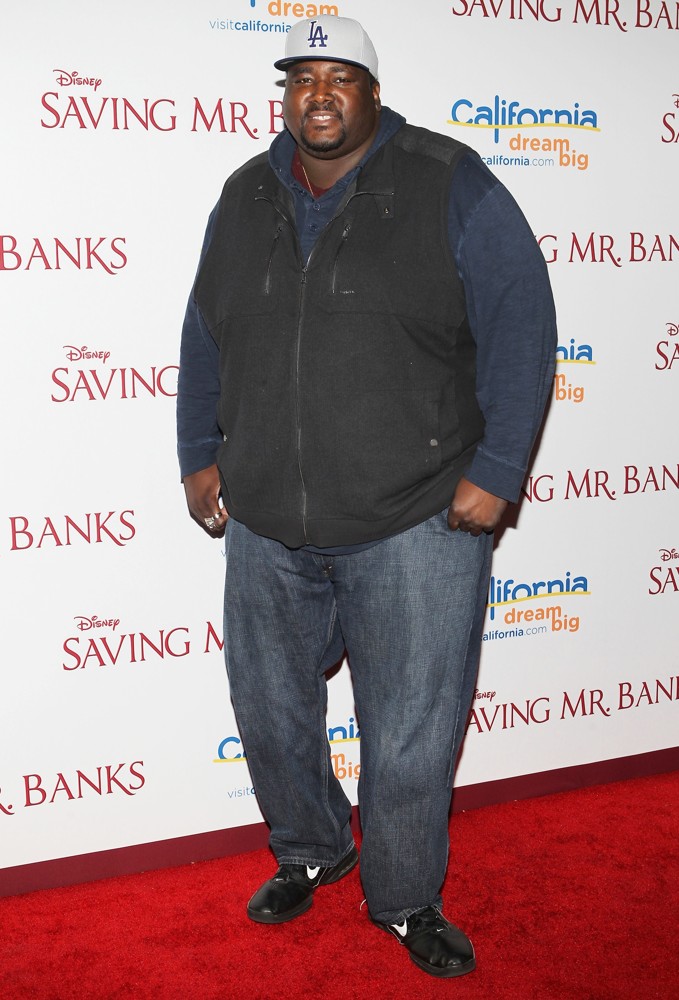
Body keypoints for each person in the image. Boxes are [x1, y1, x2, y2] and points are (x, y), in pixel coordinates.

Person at [177, 15, 556, 979]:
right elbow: (206, 331)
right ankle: (311, 846)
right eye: (301, 76)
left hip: (416, 515)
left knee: (413, 728)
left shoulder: (446, 179)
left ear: (372, 94)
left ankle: (402, 897)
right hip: (265, 515)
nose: (317, 93)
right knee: (266, 706)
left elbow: (522, 321)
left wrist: (499, 471)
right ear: (286, 94)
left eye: (337, 75)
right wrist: (198, 450)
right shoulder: (243, 193)